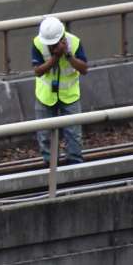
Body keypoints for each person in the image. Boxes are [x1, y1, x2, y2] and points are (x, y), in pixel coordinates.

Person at [33, 15, 88, 165]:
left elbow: (84, 69)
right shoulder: (38, 43)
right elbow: (38, 71)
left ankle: (75, 163)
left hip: (69, 95)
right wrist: (55, 58)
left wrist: (68, 55)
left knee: (73, 134)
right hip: (45, 96)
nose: (51, 47)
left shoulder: (74, 42)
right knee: (45, 134)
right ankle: (50, 165)